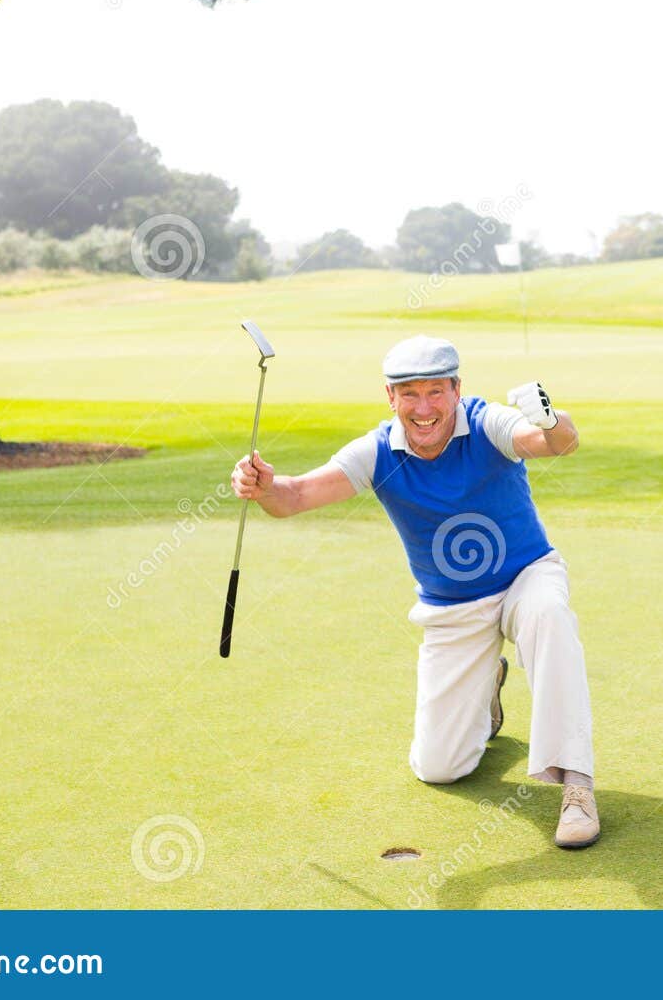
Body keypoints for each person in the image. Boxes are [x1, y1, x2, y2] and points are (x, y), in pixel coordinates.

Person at [230, 335, 599, 849]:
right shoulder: (377, 452)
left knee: (549, 614)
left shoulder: (488, 422)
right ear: (390, 397)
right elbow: (294, 497)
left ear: (456, 390)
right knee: (440, 768)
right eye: (409, 395)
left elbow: (554, 444)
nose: (423, 409)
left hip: (525, 576)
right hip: (451, 607)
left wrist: (550, 418)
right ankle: (486, 691)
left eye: (435, 392)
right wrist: (265, 486)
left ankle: (576, 784)